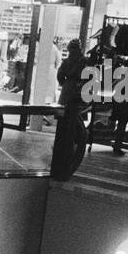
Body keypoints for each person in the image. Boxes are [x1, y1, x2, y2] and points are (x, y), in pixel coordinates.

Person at [51, 39, 89, 179]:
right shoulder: (84, 61)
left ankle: (61, 146)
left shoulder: (67, 62)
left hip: (68, 90)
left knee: (63, 119)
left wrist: (66, 84)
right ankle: (72, 144)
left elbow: (60, 75)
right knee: (76, 119)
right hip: (80, 90)